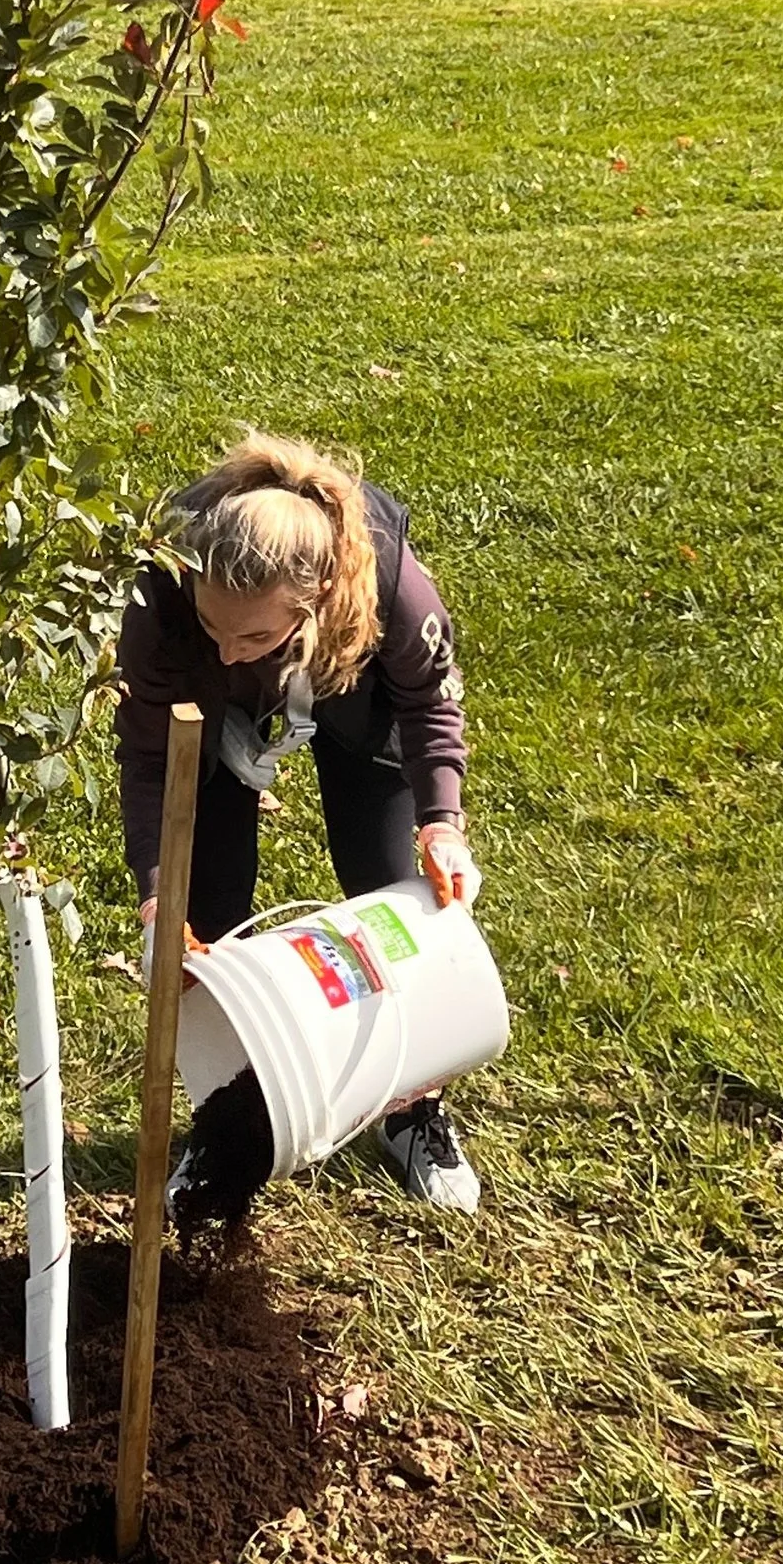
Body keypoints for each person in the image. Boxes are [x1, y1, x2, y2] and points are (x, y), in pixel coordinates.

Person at [117, 431, 485, 1214]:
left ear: (316, 597)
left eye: (250, 635)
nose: (226, 649)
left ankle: (411, 1108)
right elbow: (148, 759)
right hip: (210, 723)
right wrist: (157, 894)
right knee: (204, 918)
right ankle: (224, 1129)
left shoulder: (382, 580)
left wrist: (441, 822)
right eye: (214, 627)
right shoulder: (163, 594)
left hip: (354, 692)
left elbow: (426, 702)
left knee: (394, 903)